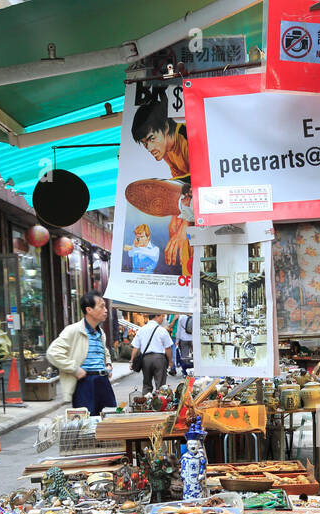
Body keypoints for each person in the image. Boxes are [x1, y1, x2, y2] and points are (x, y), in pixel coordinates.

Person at [130, 91, 192, 280]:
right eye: (144, 143)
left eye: (151, 139)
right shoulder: (167, 151)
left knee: (182, 231)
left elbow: (201, 185)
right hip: (189, 201)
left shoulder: (187, 138)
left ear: (165, 127)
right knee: (174, 227)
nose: (149, 149)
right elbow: (184, 185)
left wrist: (185, 226)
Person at [46, 292, 116, 416]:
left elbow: (104, 351)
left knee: (110, 418)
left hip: (103, 381)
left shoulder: (101, 332)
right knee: (86, 423)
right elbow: (53, 352)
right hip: (85, 383)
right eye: (101, 306)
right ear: (89, 309)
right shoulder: (74, 330)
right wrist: (75, 369)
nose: (106, 310)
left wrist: (108, 364)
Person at [131, 313, 173, 394]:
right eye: (162, 316)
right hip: (159, 359)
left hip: (145, 360)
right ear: (156, 316)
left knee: (147, 384)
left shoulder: (141, 329)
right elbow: (168, 348)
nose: (163, 319)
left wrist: (131, 361)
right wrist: (170, 361)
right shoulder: (162, 330)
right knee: (161, 386)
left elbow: (135, 347)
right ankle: (159, 403)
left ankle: (146, 403)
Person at [174, 311, 194, 376]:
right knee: (194, 355)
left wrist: (177, 340)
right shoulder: (194, 316)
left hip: (183, 339)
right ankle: (193, 370)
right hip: (193, 339)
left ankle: (185, 372)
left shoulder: (181, 316)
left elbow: (179, 329)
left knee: (184, 356)